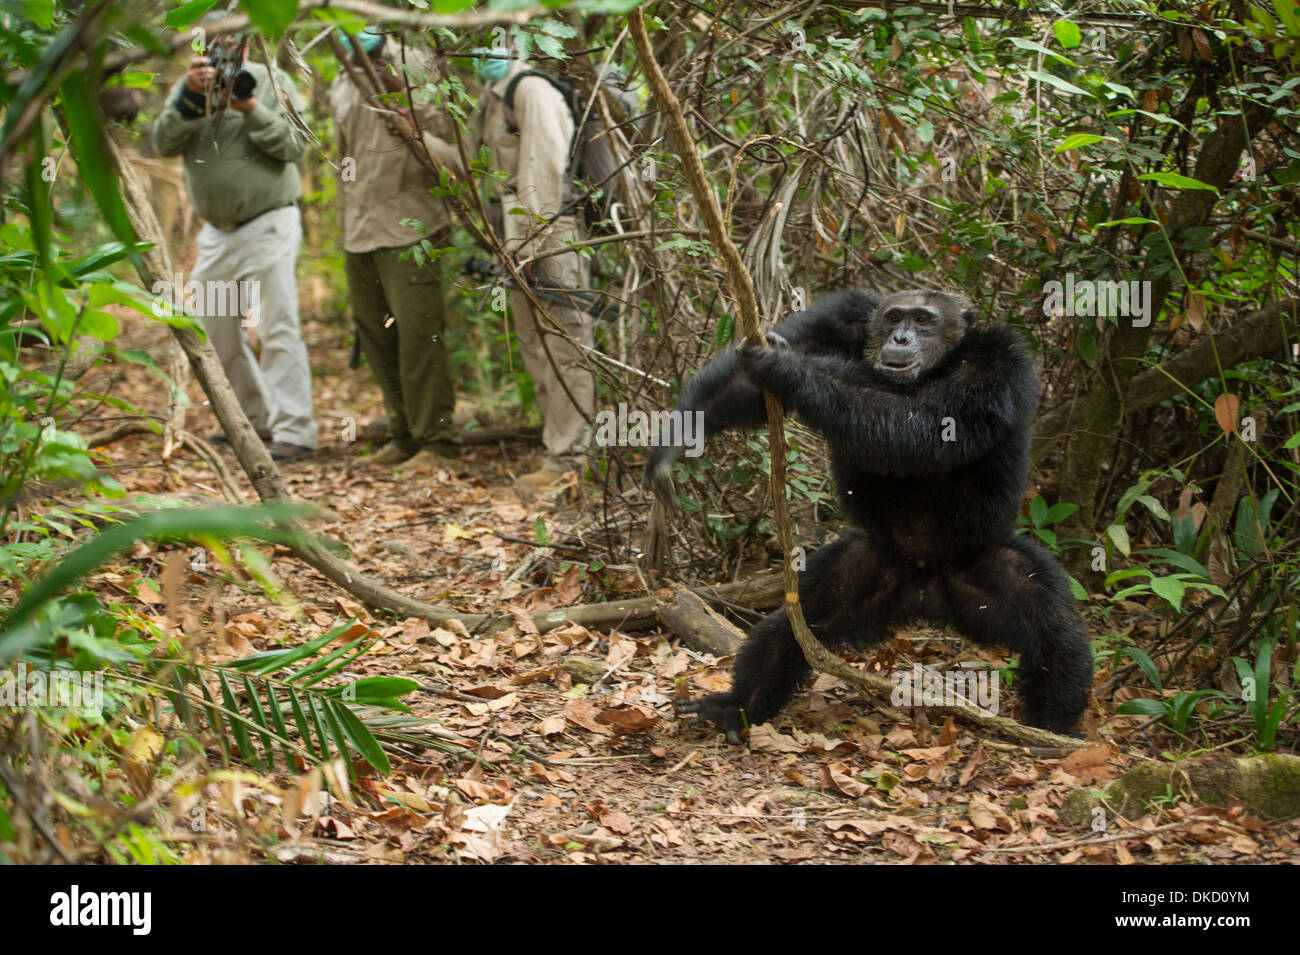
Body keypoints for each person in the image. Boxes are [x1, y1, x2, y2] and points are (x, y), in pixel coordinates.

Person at [151, 20, 317, 462]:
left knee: (276, 325)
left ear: (245, 43)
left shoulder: (272, 81)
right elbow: (162, 143)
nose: (222, 47)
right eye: (214, 41)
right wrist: (188, 97)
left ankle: (296, 431)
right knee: (216, 327)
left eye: (231, 38)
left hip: (269, 224)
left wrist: (249, 108)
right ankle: (252, 420)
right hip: (217, 235)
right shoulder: (188, 90)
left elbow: (294, 145)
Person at [330, 28, 466, 470]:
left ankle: (439, 444)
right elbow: (345, 155)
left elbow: (454, 148)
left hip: (413, 226)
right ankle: (404, 435)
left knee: (418, 337)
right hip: (361, 228)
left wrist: (404, 99)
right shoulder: (342, 74)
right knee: (376, 334)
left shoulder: (416, 63)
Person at [473, 48, 595, 489]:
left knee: (564, 346)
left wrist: (528, 245)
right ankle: (555, 453)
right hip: (518, 235)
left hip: (548, 234)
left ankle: (569, 462)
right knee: (536, 347)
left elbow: (544, 171)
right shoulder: (492, 96)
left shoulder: (531, 91)